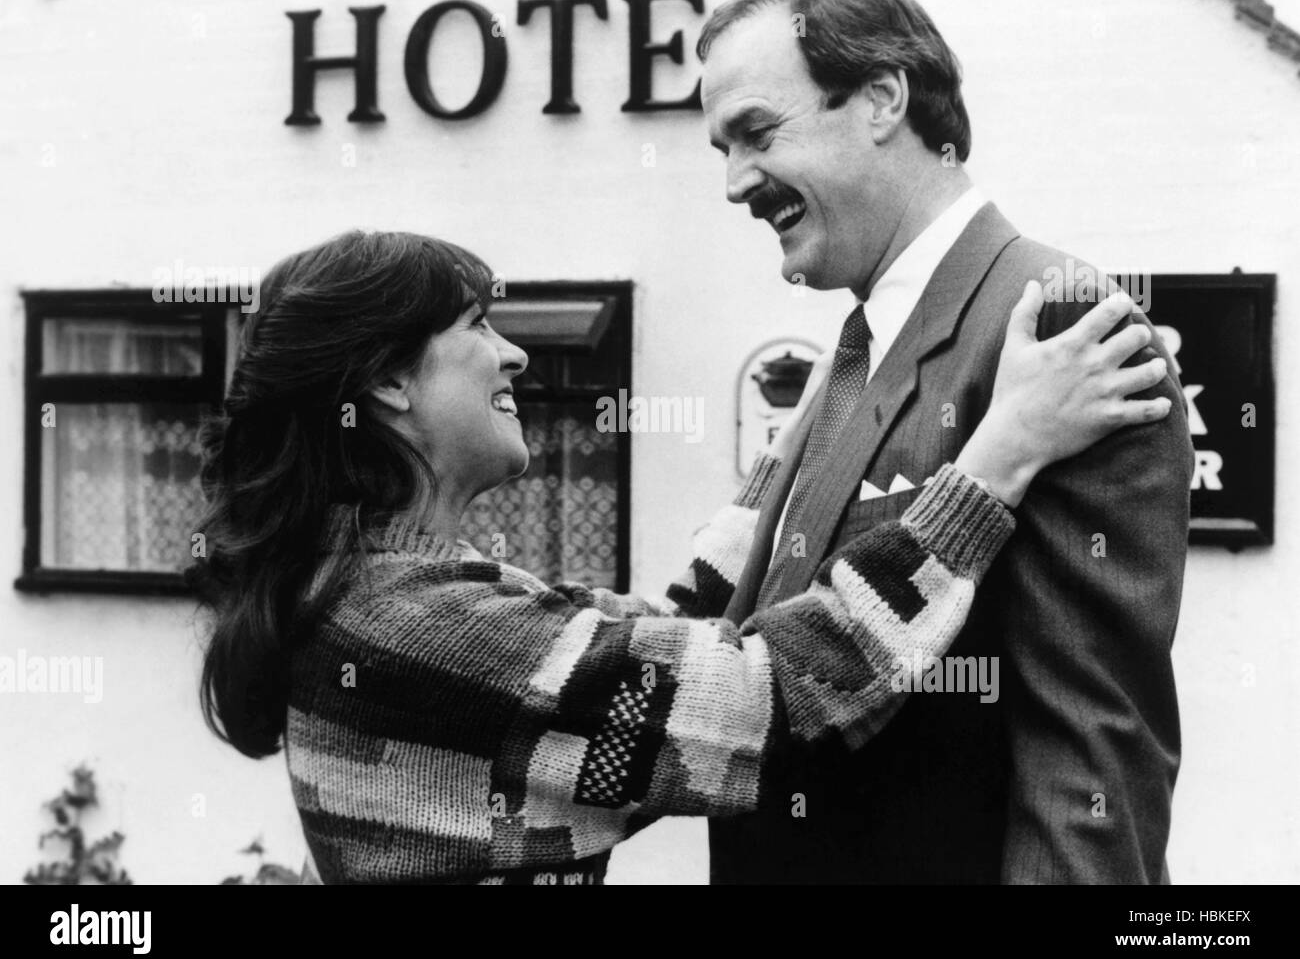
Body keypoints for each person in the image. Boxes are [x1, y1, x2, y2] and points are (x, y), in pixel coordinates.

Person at [191, 230, 1170, 885]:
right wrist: (998, 461)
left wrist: (800, 447)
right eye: (475, 326)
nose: (515, 354)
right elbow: (755, 703)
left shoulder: (368, 586)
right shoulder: (413, 622)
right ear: (389, 385)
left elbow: (650, 653)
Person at [697, 0, 1194, 884]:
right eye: (721, 148)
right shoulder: (857, 345)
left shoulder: (1055, 326)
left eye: (757, 134)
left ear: (884, 97)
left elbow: (1090, 758)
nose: (734, 183)